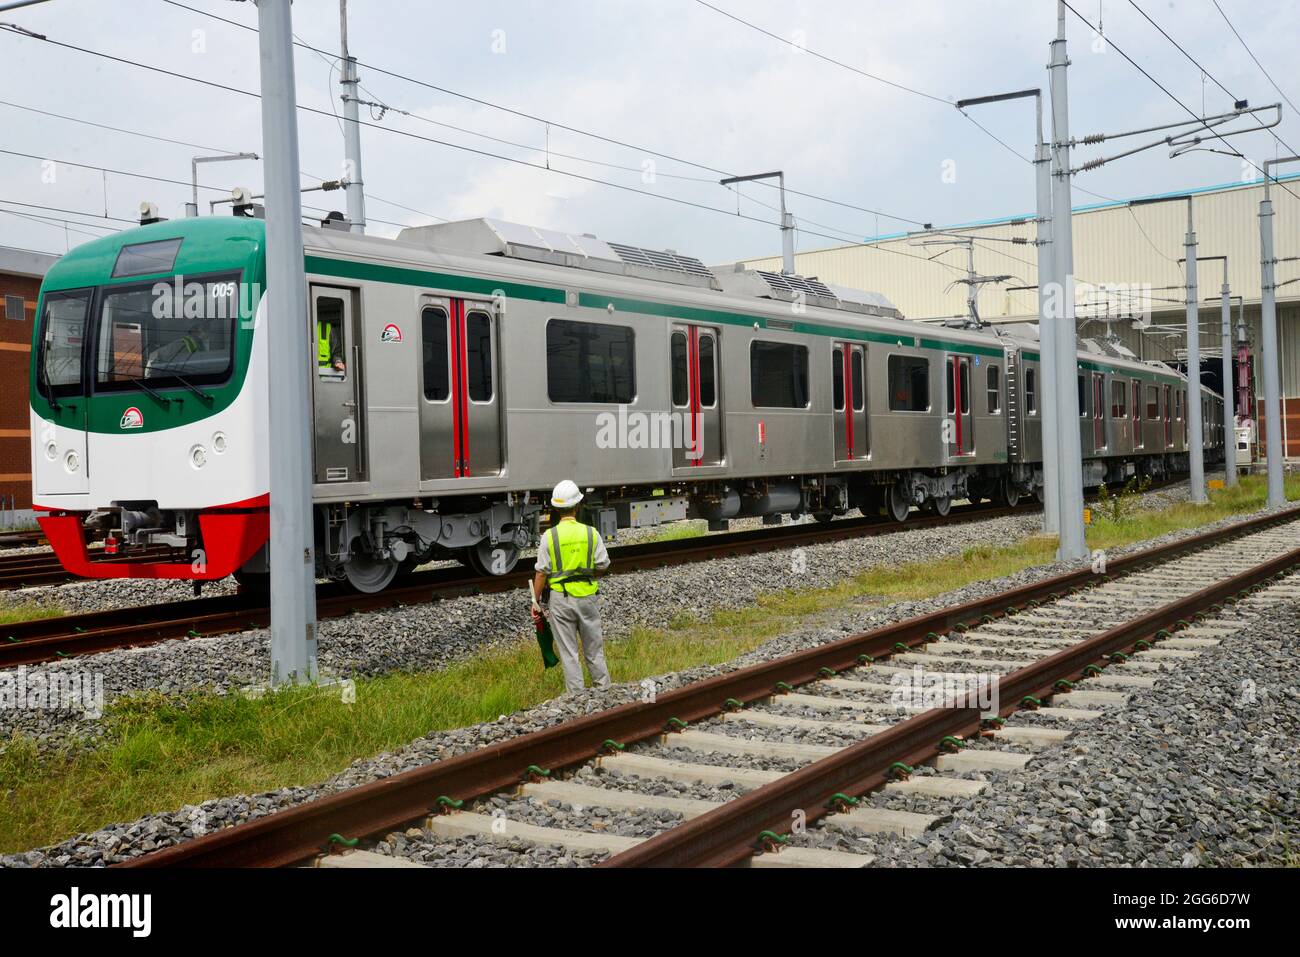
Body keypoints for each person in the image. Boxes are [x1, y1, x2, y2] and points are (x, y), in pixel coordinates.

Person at [532, 479, 611, 693]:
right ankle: (604, 691)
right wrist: (585, 573)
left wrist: (535, 601)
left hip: (560, 599)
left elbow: (541, 572)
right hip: (587, 596)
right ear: (577, 506)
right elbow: (603, 564)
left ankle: (577, 699)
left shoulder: (550, 536)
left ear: (556, 509)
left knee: (569, 653)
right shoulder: (590, 533)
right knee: (594, 650)